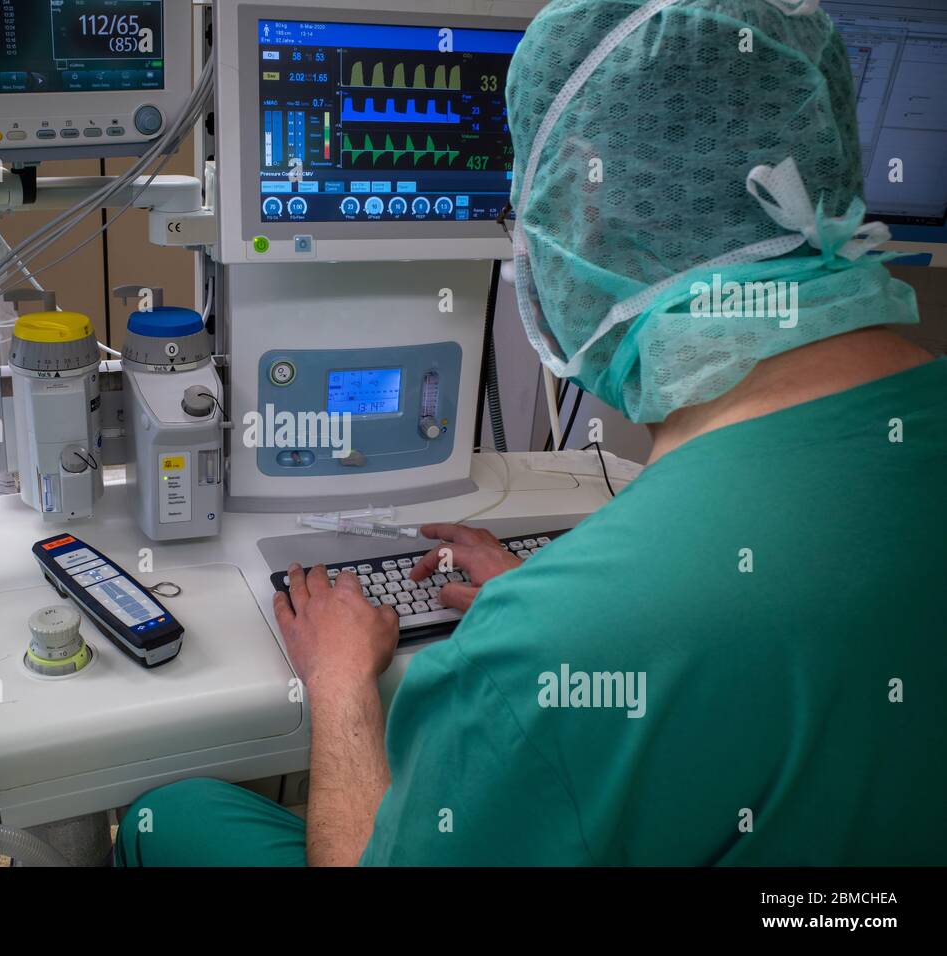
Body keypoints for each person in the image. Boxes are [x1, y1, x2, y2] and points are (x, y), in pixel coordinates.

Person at [116, 0, 946, 866]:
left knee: (170, 816)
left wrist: (340, 684)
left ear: (581, 219)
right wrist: (560, 595)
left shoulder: (556, 649)